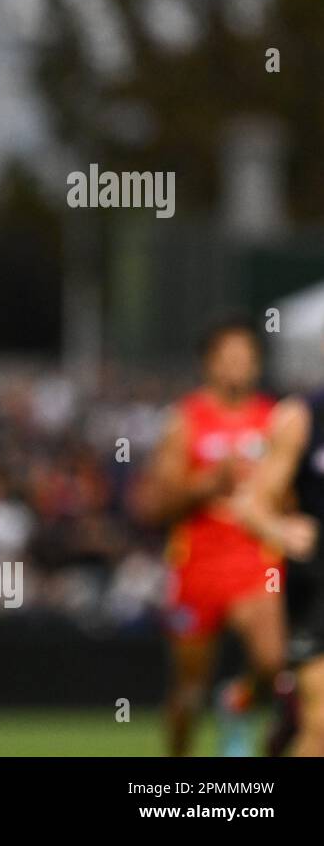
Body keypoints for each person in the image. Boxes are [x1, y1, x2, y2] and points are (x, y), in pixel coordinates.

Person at [136, 315, 283, 756]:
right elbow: (153, 506)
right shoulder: (185, 421)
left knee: (272, 661)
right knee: (188, 691)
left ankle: (237, 703)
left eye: (247, 357)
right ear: (210, 364)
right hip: (196, 562)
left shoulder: (274, 419)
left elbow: (292, 493)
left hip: (254, 558)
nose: (239, 366)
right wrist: (206, 484)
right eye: (229, 357)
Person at [234, 344, 324, 756]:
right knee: (321, 723)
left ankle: (287, 712)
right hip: (316, 586)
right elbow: (251, 502)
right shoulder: (301, 418)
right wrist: (281, 529)